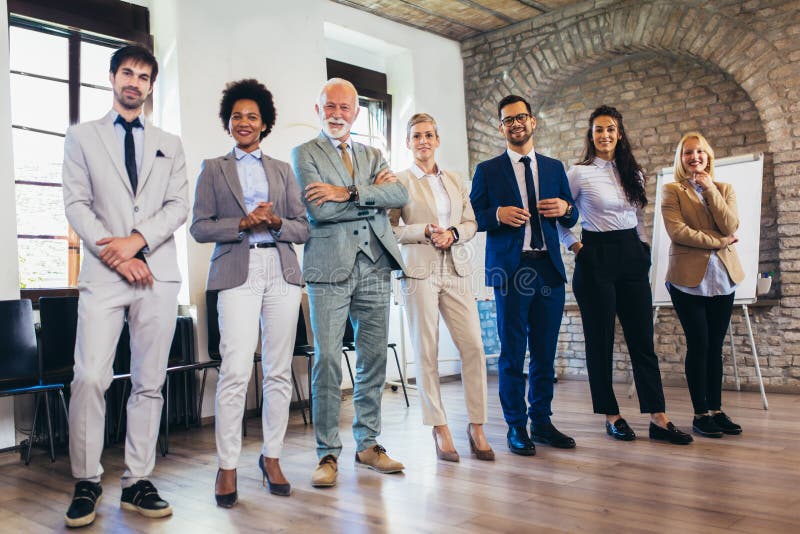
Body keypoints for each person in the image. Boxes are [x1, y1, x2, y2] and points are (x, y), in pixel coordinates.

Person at [61, 45, 188, 527]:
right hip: (103, 274)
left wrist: (136, 243)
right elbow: (75, 205)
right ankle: (87, 481)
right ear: (113, 77)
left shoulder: (170, 143)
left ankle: (137, 481)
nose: (134, 82)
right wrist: (115, 253)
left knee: (149, 382)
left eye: (144, 76)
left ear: (151, 85)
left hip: (158, 273)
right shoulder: (81, 137)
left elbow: (178, 206)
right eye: (127, 73)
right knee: (90, 376)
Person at [191, 79, 310, 506]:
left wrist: (275, 222)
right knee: (236, 369)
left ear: (264, 124)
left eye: (252, 116)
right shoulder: (213, 168)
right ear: (228, 122)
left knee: (279, 369)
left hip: (280, 268)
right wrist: (242, 224)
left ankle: (271, 457)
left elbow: (302, 224)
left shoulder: (282, 170)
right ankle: (227, 466)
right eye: (237, 116)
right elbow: (200, 227)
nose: (244, 122)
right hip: (236, 270)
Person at [290, 78, 408, 487]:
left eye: (345, 107)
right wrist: (370, 202)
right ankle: (326, 453)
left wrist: (348, 192)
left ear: (356, 113)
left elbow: (399, 194)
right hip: (328, 268)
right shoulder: (304, 153)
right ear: (318, 109)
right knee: (326, 359)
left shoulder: (373, 153)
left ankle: (368, 444)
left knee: (372, 358)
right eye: (330, 106)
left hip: (375, 265)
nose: (337, 113)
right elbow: (318, 212)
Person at [557, 105, 693, 445]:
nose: (605, 135)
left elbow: (640, 217)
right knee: (600, 342)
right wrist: (576, 248)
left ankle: (658, 418)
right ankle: (611, 415)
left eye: (611, 129)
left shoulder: (633, 172)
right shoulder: (578, 173)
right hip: (595, 256)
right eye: (599, 129)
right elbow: (559, 218)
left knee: (642, 342)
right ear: (591, 135)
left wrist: (644, 250)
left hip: (631, 255)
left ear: (620, 134)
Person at [469, 94, 579, 456]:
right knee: (513, 353)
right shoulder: (488, 170)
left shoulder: (553, 167)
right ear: (501, 128)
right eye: (508, 120)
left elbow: (572, 214)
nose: (515, 124)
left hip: (548, 268)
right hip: (512, 270)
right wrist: (497, 214)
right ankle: (516, 426)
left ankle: (542, 421)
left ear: (533, 122)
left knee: (545, 351)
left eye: (521, 118)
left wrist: (566, 208)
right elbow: (473, 216)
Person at [388, 113, 494, 462]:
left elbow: (471, 221)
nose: (423, 141)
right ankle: (439, 426)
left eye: (429, 135)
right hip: (419, 270)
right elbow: (388, 231)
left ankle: (476, 425)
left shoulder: (454, 179)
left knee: (474, 347)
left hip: (457, 269)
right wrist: (423, 230)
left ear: (437, 139)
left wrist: (454, 233)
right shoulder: (399, 181)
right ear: (408, 142)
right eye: (416, 136)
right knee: (427, 350)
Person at [662, 132, 744, 438]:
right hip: (686, 280)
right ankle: (700, 414)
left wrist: (710, 189)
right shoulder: (672, 191)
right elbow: (678, 232)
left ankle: (717, 410)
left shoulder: (724, 188)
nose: (694, 157)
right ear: (681, 159)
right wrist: (719, 242)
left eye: (699, 152)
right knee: (700, 345)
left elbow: (731, 224)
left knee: (716, 348)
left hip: (723, 277)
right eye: (687, 153)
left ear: (708, 156)